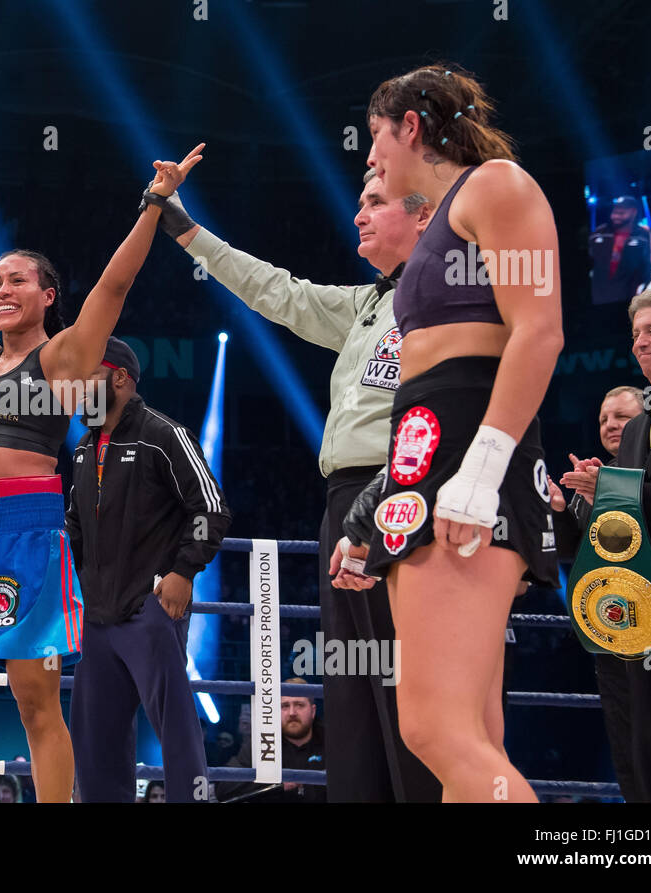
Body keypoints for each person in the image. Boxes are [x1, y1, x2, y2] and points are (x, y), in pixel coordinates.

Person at [0, 144, 203, 803]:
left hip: (31, 533)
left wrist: (154, 204)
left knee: (33, 698)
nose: (2, 290)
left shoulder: (63, 358)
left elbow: (114, 285)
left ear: (48, 296)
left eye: (17, 280)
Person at [155, 166, 440, 802]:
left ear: (425, 216)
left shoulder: (452, 295)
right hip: (346, 501)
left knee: (405, 683)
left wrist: (389, 497)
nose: (358, 214)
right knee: (356, 687)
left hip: (403, 494)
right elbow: (277, 292)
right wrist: (186, 230)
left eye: (374, 201)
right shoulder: (370, 305)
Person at [333, 63, 563, 803]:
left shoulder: (499, 184)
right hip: (426, 456)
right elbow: (422, 396)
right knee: (468, 732)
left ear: (410, 127)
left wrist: (484, 465)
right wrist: (376, 508)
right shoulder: (439, 225)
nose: (369, 158)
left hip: (467, 454)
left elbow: (540, 332)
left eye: (376, 137)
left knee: (431, 728)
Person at [64, 337, 230, 802]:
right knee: (95, 743)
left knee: (176, 731)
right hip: (95, 618)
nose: (77, 387)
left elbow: (212, 509)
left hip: (149, 608)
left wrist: (183, 572)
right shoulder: (82, 448)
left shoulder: (163, 434)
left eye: (87, 376)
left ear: (119, 377)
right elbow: (74, 528)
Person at [561, 287, 651, 801]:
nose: (640, 343)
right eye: (636, 333)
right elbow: (630, 521)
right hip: (644, 615)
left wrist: (623, 491)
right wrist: (590, 499)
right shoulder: (639, 426)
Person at [547, 385, 644, 801]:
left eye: (621, 417)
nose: (611, 426)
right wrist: (558, 510)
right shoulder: (596, 476)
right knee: (626, 740)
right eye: (605, 419)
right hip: (610, 629)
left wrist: (606, 492)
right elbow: (572, 550)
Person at [589, 196, 651, 306]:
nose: (616, 215)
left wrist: (643, 285)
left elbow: (646, 261)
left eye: (622, 212)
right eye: (615, 211)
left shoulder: (642, 234)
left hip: (627, 291)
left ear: (633, 212)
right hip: (599, 291)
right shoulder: (600, 232)